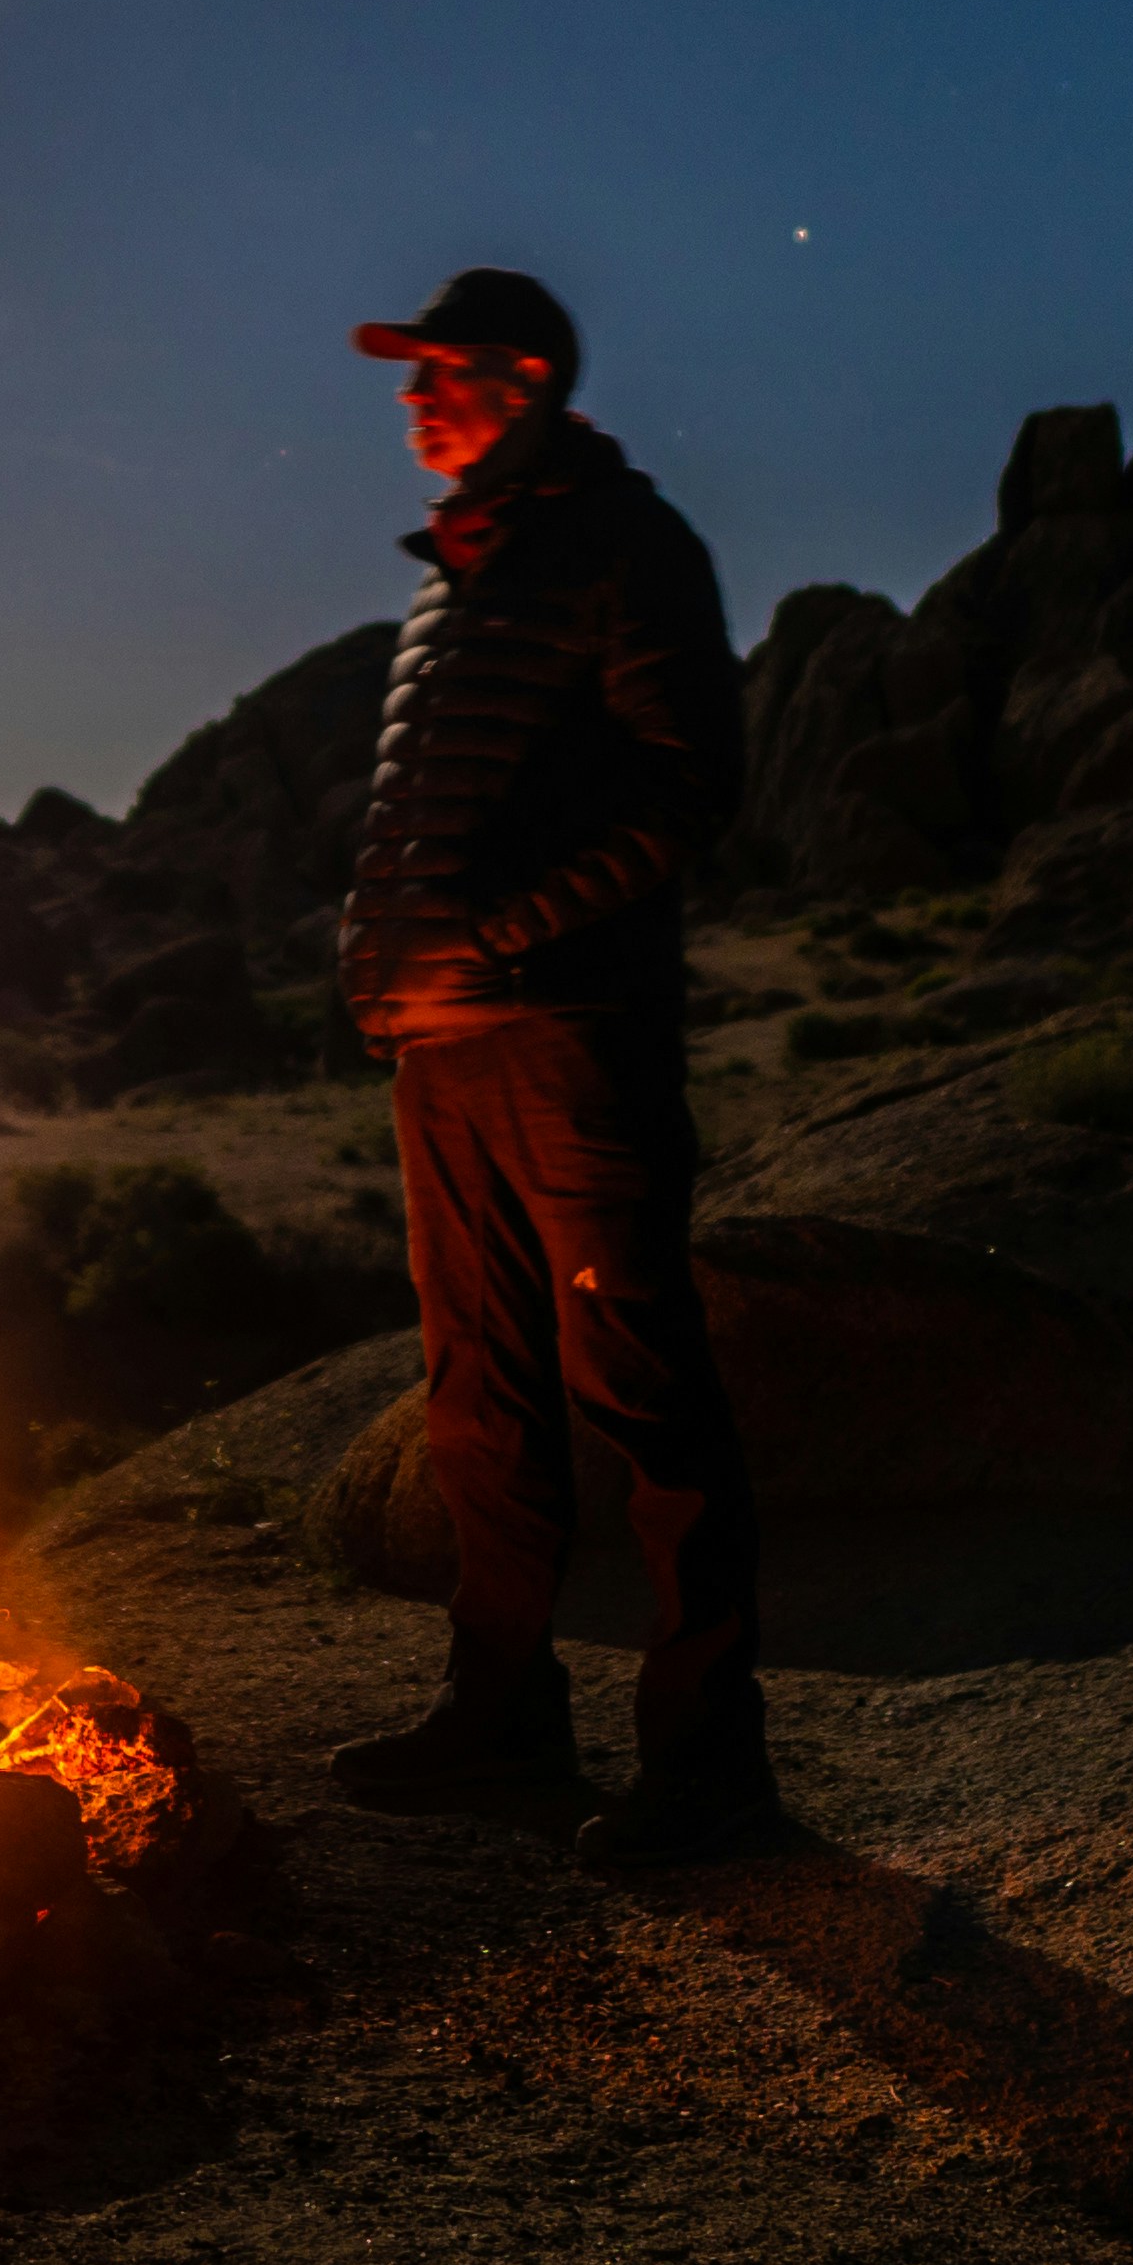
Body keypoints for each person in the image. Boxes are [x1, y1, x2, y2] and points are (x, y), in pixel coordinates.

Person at [319, 266, 789, 1871]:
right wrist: (387, 975)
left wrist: (510, 935)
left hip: (570, 1037)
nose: (408, 398)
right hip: (444, 1053)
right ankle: (504, 1714)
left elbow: (684, 786)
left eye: (433, 370)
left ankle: (713, 1770)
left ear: (518, 378)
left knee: (641, 1393)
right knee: (479, 1397)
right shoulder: (458, 575)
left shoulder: (626, 544)